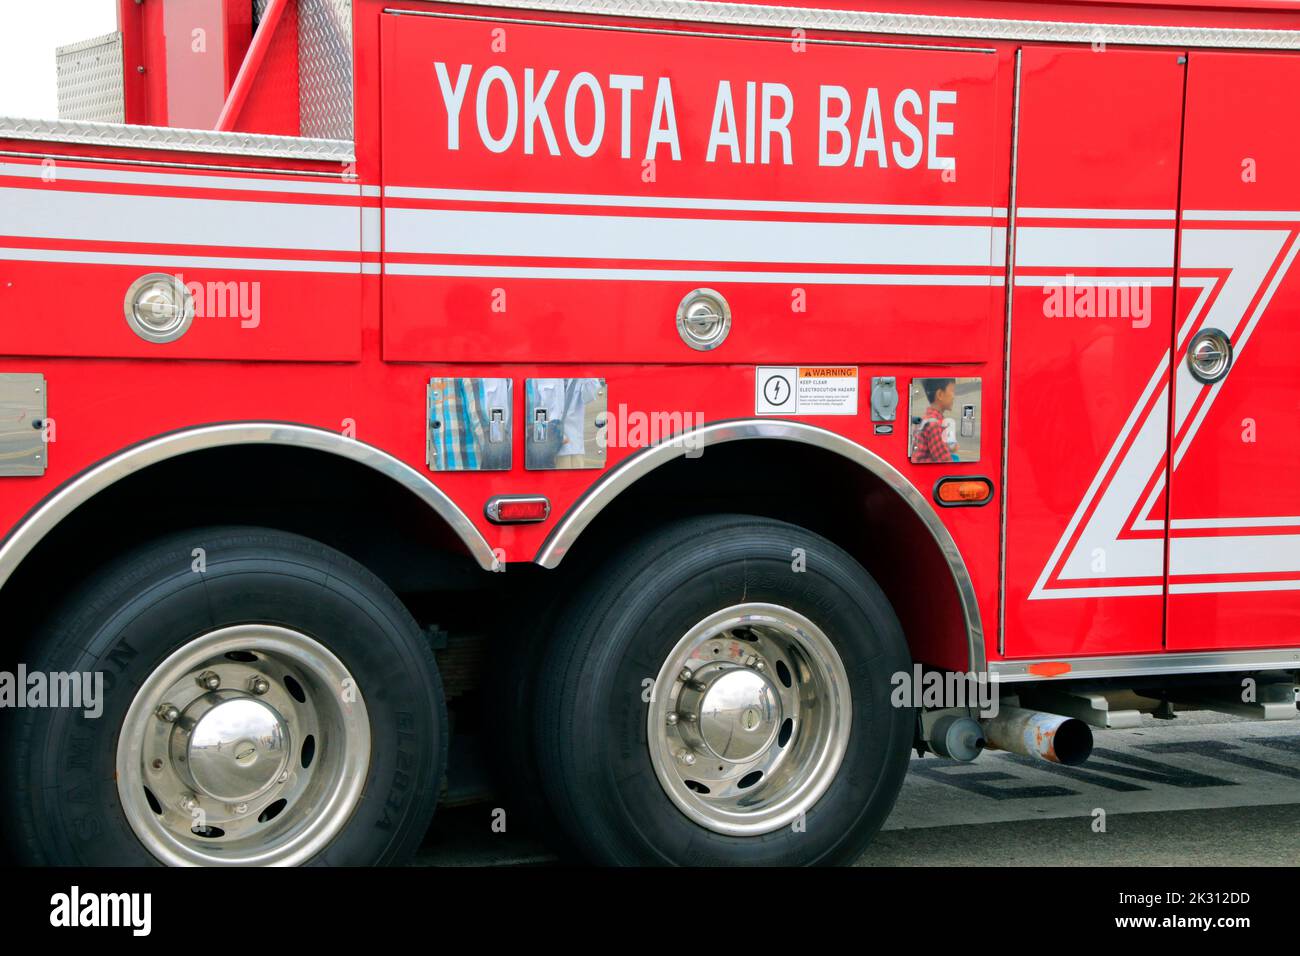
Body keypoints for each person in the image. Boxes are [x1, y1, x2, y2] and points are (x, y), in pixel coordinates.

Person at [912, 377, 957, 463]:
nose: (953, 397)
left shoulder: (927, 418)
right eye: (952, 391)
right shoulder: (934, 425)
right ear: (940, 394)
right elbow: (945, 461)